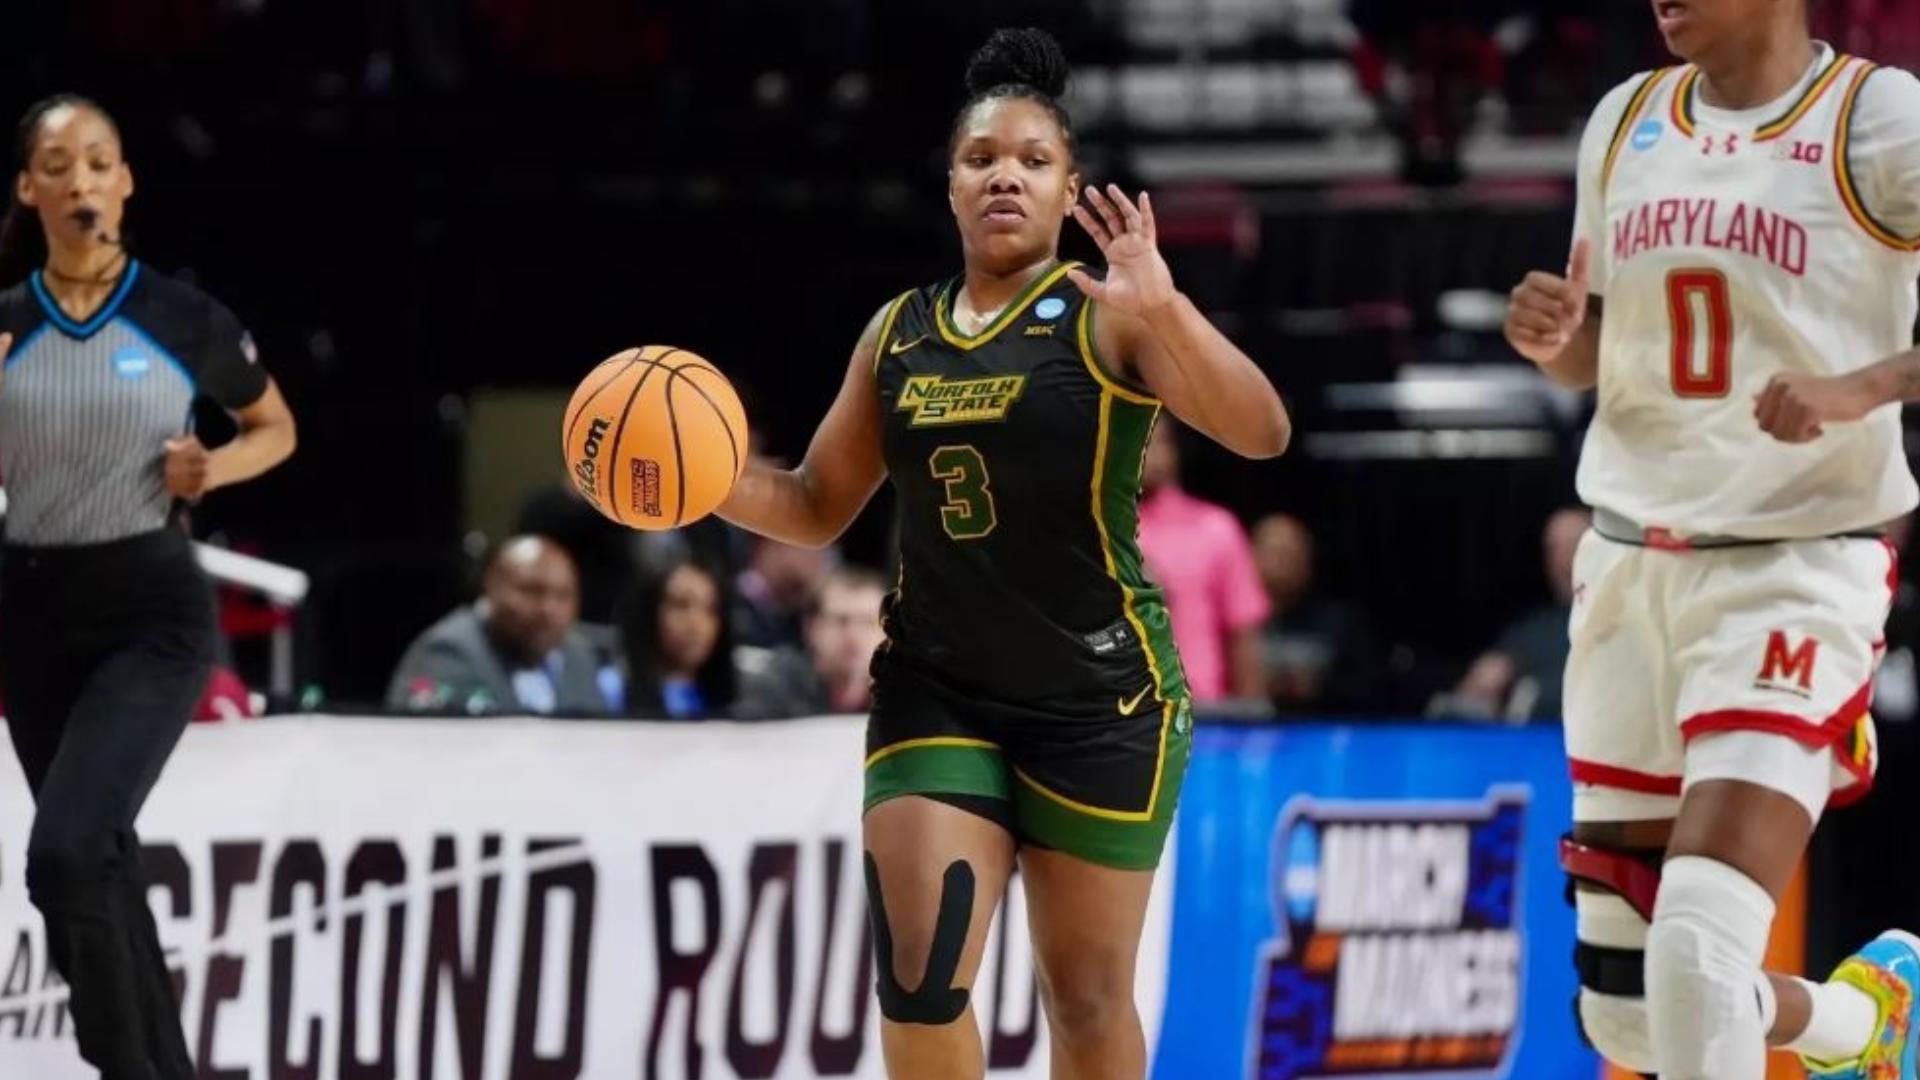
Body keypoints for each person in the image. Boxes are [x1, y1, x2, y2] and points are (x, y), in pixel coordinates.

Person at [712, 27, 1288, 1079]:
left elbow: (1262, 431)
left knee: (1084, 1000)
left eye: (1033, 159)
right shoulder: (899, 332)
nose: (1004, 177)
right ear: (950, 188)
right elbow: (811, 504)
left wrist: (1170, 309)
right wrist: (699, 481)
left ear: (1072, 189)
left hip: (1100, 699)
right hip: (939, 687)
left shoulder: (1111, 315)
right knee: (920, 978)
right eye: (982, 160)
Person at [1504, 0, 1920, 1072]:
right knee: (1627, 1015)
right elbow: (1602, 351)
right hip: (1630, 567)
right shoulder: (1623, 118)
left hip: (1795, 565)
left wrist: (1858, 388)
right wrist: (1555, 343)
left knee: (1696, 940)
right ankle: (1863, 1022)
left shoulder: (1876, 119)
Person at [0, 94, 297, 1080]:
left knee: (67, 854)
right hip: (32, 612)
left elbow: (276, 429)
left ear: (125, 182)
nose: (80, 179)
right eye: (59, 164)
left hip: (149, 614)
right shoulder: (4, 330)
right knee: (101, 869)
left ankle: (117, 1056)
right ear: (30, 189)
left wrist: (213, 468)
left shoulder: (181, 316)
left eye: (98, 161)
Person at [386, 535, 620, 716]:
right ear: (492, 585)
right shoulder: (449, 653)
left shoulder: (578, 656)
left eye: (563, 595)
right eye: (532, 591)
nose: (548, 609)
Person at [1136, 418, 1271, 704]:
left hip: (1204, 717)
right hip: (1109, 723)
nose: (1145, 451)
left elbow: (1243, 634)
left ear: (1174, 450)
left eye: (1155, 440)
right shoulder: (1087, 532)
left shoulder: (1216, 528)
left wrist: (1255, 725)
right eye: (1130, 439)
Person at [1451, 507, 1589, 722]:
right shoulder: (1531, 630)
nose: (1562, 559)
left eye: (1573, 546)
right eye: (1553, 548)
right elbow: (1474, 692)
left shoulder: (1633, 622)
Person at [1250, 513, 1381, 715]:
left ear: (1308, 562)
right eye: (1274, 553)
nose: (1282, 563)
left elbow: (1369, 690)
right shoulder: (1233, 627)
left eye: (1291, 554)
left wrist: (1320, 688)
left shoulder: (1340, 624)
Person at [737, 564, 889, 718]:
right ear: (810, 626)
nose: (853, 635)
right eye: (840, 621)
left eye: (868, 622)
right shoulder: (774, 688)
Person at [617, 555, 738, 719]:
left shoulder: (737, 700)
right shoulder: (611, 690)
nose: (696, 624)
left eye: (710, 609)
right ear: (650, 612)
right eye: (681, 605)